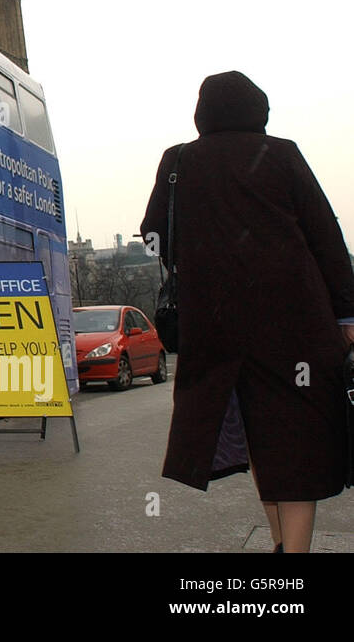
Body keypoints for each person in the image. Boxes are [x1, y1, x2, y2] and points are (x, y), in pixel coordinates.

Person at [141, 71, 354, 553]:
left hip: (216, 325)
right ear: (259, 111)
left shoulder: (178, 162)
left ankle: (281, 544)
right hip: (295, 325)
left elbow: (155, 231)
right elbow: (326, 239)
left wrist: (206, 265)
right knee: (293, 440)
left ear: (202, 114)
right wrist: (346, 315)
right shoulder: (281, 154)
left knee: (259, 435)